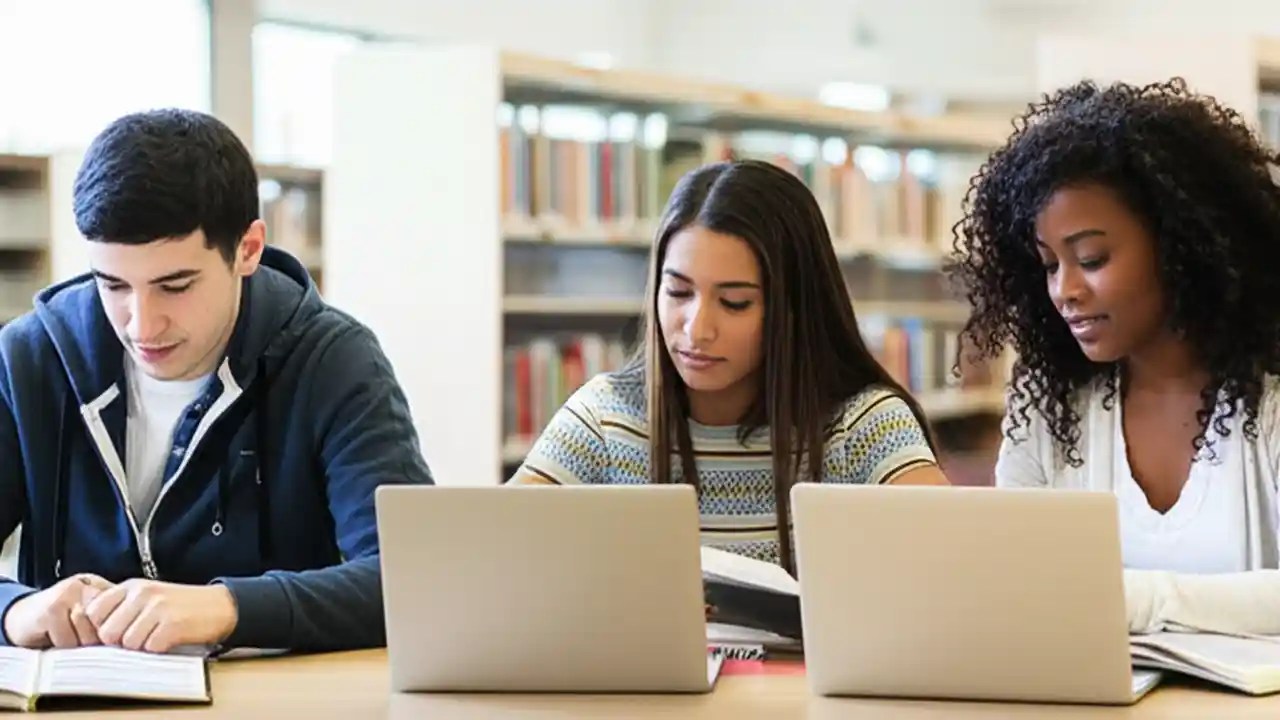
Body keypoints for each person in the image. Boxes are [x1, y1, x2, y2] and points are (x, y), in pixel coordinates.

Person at [0, 109, 434, 653]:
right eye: (113, 285)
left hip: (276, 694)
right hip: (80, 693)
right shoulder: (30, 359)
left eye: (175, 286)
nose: (141, 325)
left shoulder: (336, 361)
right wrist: (14, 610)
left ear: (248, 249)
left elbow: (413, 579)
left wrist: (227, 608)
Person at [947, 77, 1280, 636]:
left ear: (1180, 247)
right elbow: (1017, 578)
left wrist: (1130, 600)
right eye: (1050, 265)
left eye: (1092, 258)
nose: (1065, 290)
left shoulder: (1268, 398)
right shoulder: (1049, 407)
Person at [509, 159, 949, 573]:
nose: (697, 329)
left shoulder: (864, 426)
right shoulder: (604, 419)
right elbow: (496, 554)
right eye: (678, 293)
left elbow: (950, 567)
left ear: (794, 309)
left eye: (735, 302)